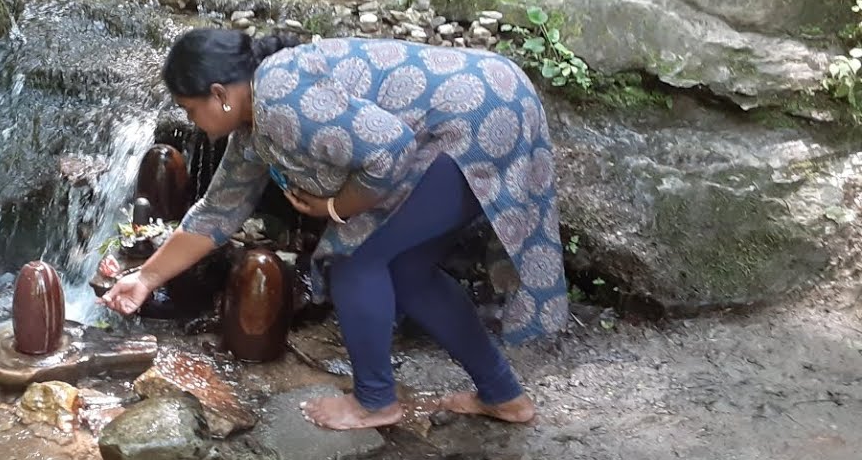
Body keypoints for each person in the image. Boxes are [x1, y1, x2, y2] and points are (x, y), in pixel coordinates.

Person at [100, 29, 568, 431]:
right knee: (408, 271)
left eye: (189, 108)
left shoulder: (280, 95)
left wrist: (337, 207)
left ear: (220, 93)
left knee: (354, 262)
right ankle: (503, 395)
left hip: (479, 117)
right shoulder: (254, 127)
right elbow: (217, 214)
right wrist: (144, 279)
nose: (190, 121)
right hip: (487, 101)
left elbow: (388, 148)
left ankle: (374, 403)